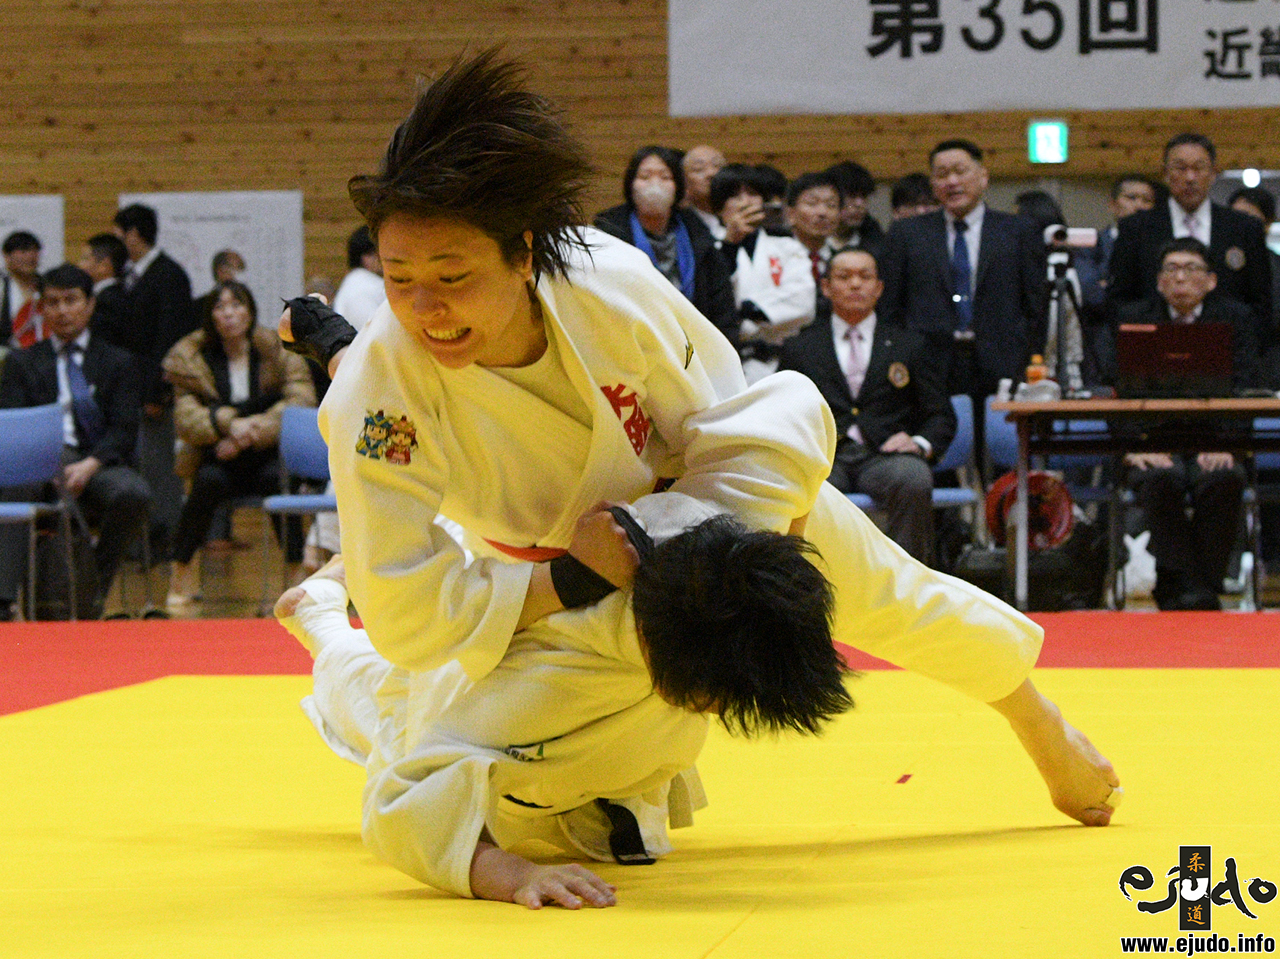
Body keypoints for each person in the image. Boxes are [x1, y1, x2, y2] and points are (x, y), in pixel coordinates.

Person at [279, 50, 1120, 905]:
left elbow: (734, 425)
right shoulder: (375, 398)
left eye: (452, 277)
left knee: (889, 589)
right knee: (418, 726)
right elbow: (408, 612)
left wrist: (758, 536)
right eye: (399, 279)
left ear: (523, 253)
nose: (424, 309)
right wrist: (569, 574)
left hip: (704, 510)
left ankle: (1036, 719)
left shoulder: (606, 284)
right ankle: (319, 622)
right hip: (536, 585)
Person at [275, 493, 850, 906]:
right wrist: (504, 871)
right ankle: (319, 612)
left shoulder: (711, 536)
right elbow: (397, 796)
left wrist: (790, 527)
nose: (723, 711)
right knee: (378, 705)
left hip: (571, 626)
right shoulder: (542, 686)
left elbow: (798, 421)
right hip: (470, 645)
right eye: (718, 698)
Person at [779, 247, 955, 564]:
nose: (855, 284)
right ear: (826, 287)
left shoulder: (910, 345)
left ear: (879, 287)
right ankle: (812, 587)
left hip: (886, 456)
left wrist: (917, 442)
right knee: (803, 485)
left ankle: (909, 585)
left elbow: (940, 415)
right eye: (844, 277)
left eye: (865, 276)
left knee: (913, 477)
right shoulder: (800, 348)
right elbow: (781, 414)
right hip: (826, 459)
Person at [0, 264, 151, 620]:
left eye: (71, 300)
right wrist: (44, 460)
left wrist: (91, 464)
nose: (62, 310)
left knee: (134, 494)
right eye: (52, 302)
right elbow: (12, 425)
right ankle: (4, 602)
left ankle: (91, 585)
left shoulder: (119, 361)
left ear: (90, 304)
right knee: (12, 488)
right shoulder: (21, 362)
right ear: (42, 309)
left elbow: (125, 428)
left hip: (97, 462)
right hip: (39, 466)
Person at [1116, 238, 1258, 611]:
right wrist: (1136, 446)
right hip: (1153, 438)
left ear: (1211, 280)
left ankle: (1188, 587)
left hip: (1216, 435)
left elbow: (1247, 387)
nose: (1180, 278)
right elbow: (1116, 391)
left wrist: (1228, 444)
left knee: (1224, 479)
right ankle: (1197, 591)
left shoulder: (1236, 318)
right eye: (1171, 269)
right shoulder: (1134, 318)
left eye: (1191, 269)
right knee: (1161, 479)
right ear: (1159, 281)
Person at [162, 281, 315, 607]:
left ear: (250, 310)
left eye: (236, 304)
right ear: (210, 316)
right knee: (206, 482)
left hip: (266, 451)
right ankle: (181, 569)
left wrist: (252, 431)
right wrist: (229, 424)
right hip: (218, 454)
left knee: (280, 481)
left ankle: (294, 572)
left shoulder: (275, 348)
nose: (229, 313)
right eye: (220, 306)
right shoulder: (191, 358)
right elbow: (187, 415)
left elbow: (301, 396)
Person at [877, 139, 1047, 417]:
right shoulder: (906, 234)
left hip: (1003, 358)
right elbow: (890, 305)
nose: (952, 181)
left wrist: (1029, 357)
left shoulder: (1019, 231)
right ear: (933, 184)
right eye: (942, 175)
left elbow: (1035, 305)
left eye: (960, 171)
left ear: (983, 177)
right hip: (929, 360)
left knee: (1001, 447)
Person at [1108, 133, 1273, 360]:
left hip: (1228, 354)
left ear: (1214, 173)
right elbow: (1120, 299)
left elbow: (1261, 301)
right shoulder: (1136, 227)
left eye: (1199, 167)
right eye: (1180, 168)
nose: (1190, 177)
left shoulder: (1244, 227)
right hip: (1152, 354)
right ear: (1165, 174)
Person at [113, 202, 196, 555]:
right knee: (142, 464)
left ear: (133, 234)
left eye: (119, 235)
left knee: (160, 466)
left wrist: (157, 392)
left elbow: (169, 338)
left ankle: (166, 539)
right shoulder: (131, 277)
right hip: (130, 390)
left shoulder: (169, 275)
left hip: (154, 393)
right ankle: (143, 539)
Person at [593, 145, 737, 346]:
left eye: (665, 177)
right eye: (645, 177)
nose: (655, 184)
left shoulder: (699, 233)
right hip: (630, 345)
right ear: (630, 185)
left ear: (678, 187)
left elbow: (722, 308)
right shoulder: (608, 235)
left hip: (695, 347)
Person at [710, 163, 816, 382]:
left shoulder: (786, 246)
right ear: (720, 208)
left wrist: (748, 310)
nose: (745, 202)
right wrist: (730, 243)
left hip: (785, 360)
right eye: (735, 196)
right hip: (730, 361)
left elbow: (804, 302)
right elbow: (713, 304)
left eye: (752, 194)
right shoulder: (708, 249)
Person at [1074, 174, 1158, 384]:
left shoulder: (1160, 248)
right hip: (1101, 340)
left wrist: (1108, 283)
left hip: (1150, 339)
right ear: (1113, 204)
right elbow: (1091, 294)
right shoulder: (1091, 245)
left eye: (1147, 200)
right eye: (1131, 198)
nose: (1139, 206)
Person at [1015, 189, 1087, 392]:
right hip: (1035, 363)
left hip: (1058, 363)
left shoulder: (1067, 268)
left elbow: (1057, 325)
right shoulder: (1026, 266)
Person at [78, 232, 131, 350]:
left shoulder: (107, 302)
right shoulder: (114, 294)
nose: (79, 265)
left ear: (104, 265)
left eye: (85, 259)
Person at [332, 226, 386, 332]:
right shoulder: (364, 287)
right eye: (372, 254)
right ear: (362, 257)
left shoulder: (354, 282)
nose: (379, 259)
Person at [824, 160, 884, 255]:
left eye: (864, 196)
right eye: (851, 196)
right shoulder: (808, 240)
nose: (859, 204)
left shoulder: (877, 241)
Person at [1, 230, 44, 348]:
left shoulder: (47, 284)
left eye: (35, 251)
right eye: (24, 251)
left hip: (41, 351)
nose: (30, 256)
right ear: (6, 255)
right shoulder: (2, 285)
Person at [681, 144, 727, 240]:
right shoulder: (679, 224)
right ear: (684, 180)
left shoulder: (742, 214)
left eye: (717, 166)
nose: (711, 173)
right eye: (699, 169)